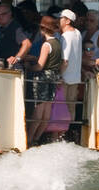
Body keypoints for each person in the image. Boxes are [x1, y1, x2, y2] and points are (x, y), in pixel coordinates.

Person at [26, 14, 64, 146]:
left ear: (42, 29)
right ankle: (37, 138)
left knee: (38, 111)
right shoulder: (58, 44)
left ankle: (29, 139)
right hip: (54, 77)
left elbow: (40, 65)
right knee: (47, 112)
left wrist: (30, 67)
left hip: (43, 77)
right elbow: (61, 63)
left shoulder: (46, 45)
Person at [57, 9, 83, 137]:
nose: (59, 20)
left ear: (67, 21)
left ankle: (61, 133)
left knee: (62, 107)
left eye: (61, 18)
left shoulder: (65, 37)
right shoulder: (78, 33)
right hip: (76, 77)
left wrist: (59, 75)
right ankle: (68, 133)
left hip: (65, 78)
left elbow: (65, 61)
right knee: (71, 107)